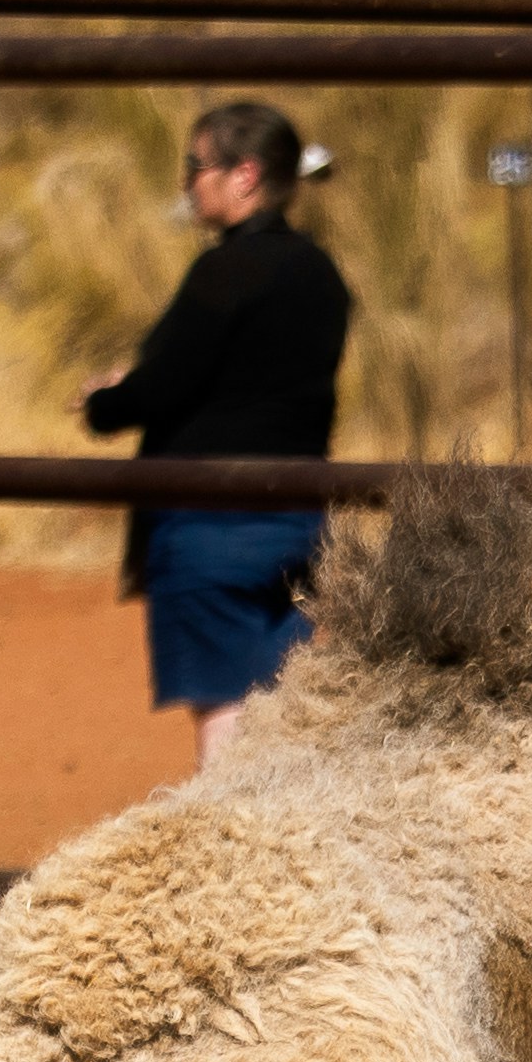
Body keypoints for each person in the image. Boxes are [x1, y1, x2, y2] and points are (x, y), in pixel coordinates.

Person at [84, 101, 353, 767]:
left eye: (195, 166)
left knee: (226, 722)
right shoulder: (322, 273)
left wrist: (104, 401)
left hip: (209, 525)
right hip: (295, 519)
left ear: (244, 175)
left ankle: (235, 861)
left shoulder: (224, 271)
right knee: (282, 713)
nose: (187, 183)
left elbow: (162, 385)